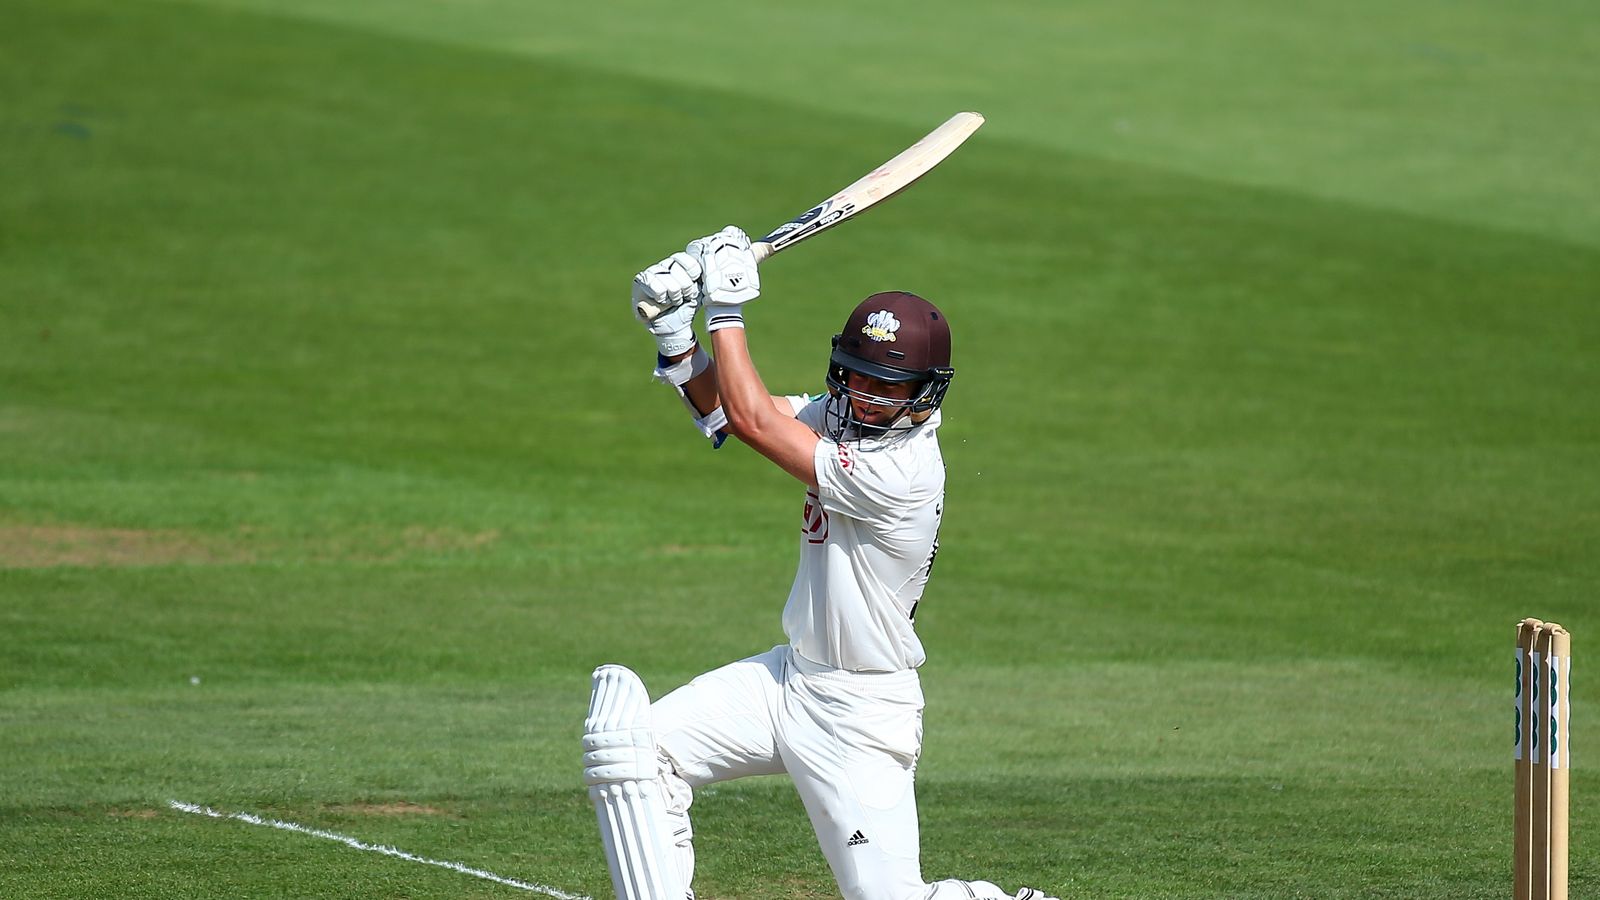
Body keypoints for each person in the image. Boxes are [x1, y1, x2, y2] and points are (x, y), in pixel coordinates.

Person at [580, 226, 1057, 900]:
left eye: (888, 384)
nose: (865, 394)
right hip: (787, 681)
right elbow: (726, 415)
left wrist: (726, 308)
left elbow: (754, 423)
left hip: (861, 711)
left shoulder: (904, 471)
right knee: (635, 751)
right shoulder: (839, 416)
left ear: (927, 391)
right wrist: (673, 335)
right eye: (857, 374)